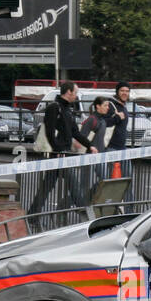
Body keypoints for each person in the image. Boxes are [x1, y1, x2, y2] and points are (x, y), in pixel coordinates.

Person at [28, 82, 96, 215]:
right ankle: (83, 211)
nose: (76, 96)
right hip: (58, 154)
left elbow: (75, 132)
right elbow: (49, 131)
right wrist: (57, 150)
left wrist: (89, 145)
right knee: (73, 183)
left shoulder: (67, 110)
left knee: (47, 186)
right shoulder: (54, 108)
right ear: (69, 92)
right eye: (75, 93)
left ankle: (32, 215)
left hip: (62, 153)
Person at [104, 81, 134, 178]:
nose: (125, 93)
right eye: (122, 91)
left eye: (127, 91)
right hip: (111, 148)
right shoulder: (110, 105)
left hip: (122, 148)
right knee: (109, 179)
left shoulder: (123, 106)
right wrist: (117, 118)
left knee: (127, 178)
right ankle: (95, 193)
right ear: (117, 92)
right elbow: (103, 123)